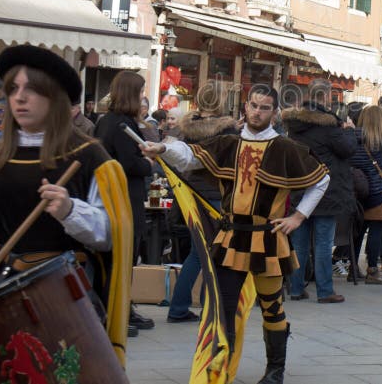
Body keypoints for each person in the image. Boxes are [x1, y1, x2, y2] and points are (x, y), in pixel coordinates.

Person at [0, 44, 131, 358]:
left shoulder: (90, 158)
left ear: (55, 99)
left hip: (65, 296)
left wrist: (70, 210)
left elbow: (111, 236)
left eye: (32, 89)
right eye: (13, 89)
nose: (19, 97)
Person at [141, 84, 329, 384]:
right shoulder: (228, 144)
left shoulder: (285, 148)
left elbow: (321, 180)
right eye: (253, 105)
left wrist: (298, 216)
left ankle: (275, 371)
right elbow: (190, 155)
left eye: (264, 107)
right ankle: (222, 367)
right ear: (245, 107)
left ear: (275, 112)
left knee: (272, 308)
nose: (257, 111)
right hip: (231, 238)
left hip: (268, 239)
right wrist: (162, 148)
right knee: (224, 308)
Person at [166, 81, 239, 323]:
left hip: (191, 194)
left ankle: (178, 307)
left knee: (197, 253)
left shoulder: (189, 128)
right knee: (216, 253)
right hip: (216, 196)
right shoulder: (227, 131)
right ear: (221, 102)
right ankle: (210, 306)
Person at [282, 79, 358, 303]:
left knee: (300, 243)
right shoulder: (328, 124)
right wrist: (351, 132)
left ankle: (296, 288)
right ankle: (325, 291)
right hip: (326, 189)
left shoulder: (294, 124)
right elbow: (347, 150)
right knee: (324, 242)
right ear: (326, 96)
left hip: (300, 186)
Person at [94, 71, 156, 336]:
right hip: (124, 197)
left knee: (122, 257)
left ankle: (122, 309)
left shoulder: (105, 121)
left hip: (112, 195)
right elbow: (130, 163)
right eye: (141, 92)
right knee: (123, 256)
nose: (143, 97)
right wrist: (148, 164)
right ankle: (114, 313)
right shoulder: (121, 125)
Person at [349, 105, 382, 285]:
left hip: (357, 191)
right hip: (378, 191)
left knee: (358, 231)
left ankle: (353, 268)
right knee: (376, 232)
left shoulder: (351, 137)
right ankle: (372, 269)